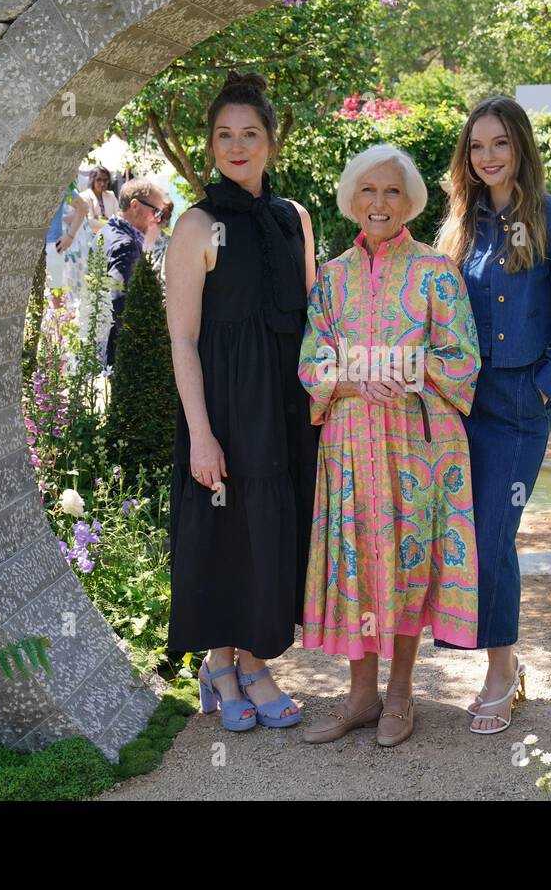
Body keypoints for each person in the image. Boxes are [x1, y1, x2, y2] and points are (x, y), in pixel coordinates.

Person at [435, 96, 551, 734]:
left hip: (516, 408)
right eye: (477, 146)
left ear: (522, 150)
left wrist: (543, 385)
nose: (488, 157)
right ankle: (486, 663)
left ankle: (501, 671)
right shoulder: (459, 226)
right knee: (454, 536)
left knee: (492, 536)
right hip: (456, 405)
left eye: (500, 144)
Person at [298, 144, 481, 747]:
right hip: (349, 444)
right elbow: (310, 361)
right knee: (357, 557)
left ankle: (401, 696)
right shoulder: (329, 278)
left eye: (392, 192)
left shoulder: (436, 272)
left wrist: (407, 367)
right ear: (354, 200)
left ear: (408, 202)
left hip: (416, 445)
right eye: (369, 191)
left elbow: (463, 359)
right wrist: (349, 378)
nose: (379, 203)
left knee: (404, 560)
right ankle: (359, 697)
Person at [164, 71, 319, 731]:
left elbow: (314, 320)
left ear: (270, 143)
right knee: (225, 533)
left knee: (271, 535)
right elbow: (183, 340)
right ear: (210, 146)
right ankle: (223, 667)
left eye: (250, 133)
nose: (237, 145)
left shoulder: (295, 220)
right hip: (224, 406)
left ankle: (250, 660)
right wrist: (201, 432)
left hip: (284, 407)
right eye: (225, 134)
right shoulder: (196, 224)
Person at [98, 178, 173, 365]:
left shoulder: (107, 230)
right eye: (155, 211)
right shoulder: (125, 244)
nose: (157, 218)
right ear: (135, 205)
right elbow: (120, 301)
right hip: (120, 353)